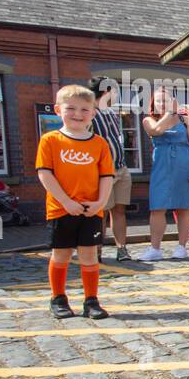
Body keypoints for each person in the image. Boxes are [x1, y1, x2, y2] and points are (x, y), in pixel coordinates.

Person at [36, 84, 114, 319]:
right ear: (59, 110)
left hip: (91, 211)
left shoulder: (99, 143)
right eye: (71, 108)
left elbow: (106, 176)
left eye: (84, 109)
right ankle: (57, 298)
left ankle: (91, 300)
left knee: (89, 256)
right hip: (61, 209)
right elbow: (45, 174)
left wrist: (100, 202)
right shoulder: (50, 140)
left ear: (93, 113)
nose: (78, 114)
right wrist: (66, 201)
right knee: (61, 254)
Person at [140, 87, 189, 261]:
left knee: (184, 206)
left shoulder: (186, 119)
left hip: (184, 163)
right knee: (157, 207)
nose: (162, 103)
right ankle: (155, 248)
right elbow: (156, 131)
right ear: (153, 104)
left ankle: (181, 247)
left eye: (166, 100)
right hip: (161, 165)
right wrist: (169, 113)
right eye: (159, 101)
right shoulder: (148, 120)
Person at [88, 78, 133, 261]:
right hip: (102, 173)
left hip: (121, 169)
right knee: (101, 213)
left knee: (119, 211)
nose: (117, 96)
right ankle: (96, 250)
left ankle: (122, 249)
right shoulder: (90, 115)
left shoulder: (113, 114)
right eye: (115, 92)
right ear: (106, 92)